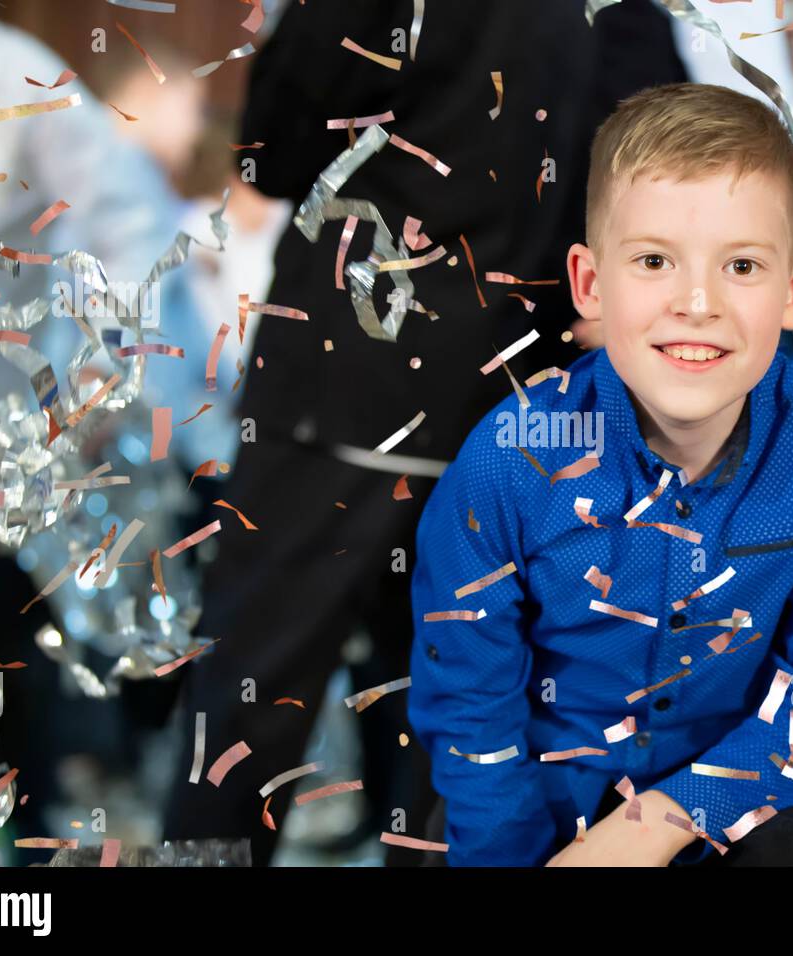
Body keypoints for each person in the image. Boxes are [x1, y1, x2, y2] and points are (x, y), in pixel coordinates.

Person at [160, 0, 689, 866]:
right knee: (463, 729)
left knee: (246, 719)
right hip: (516, 401)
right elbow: (655, 156)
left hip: (346, 388)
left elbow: (273, 146)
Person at [408, 82, 793, 866]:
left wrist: (662, 820)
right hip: (528, 793)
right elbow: (468, 706)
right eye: (655, 261)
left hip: (736, 779)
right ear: (591, 286)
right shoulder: (508, 458)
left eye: (740, 265)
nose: (696, 303)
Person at [0, 0, 188, 865]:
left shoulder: (25, 81)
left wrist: (104, 376)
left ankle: (34, 863)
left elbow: (133, 225)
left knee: (15, 647)